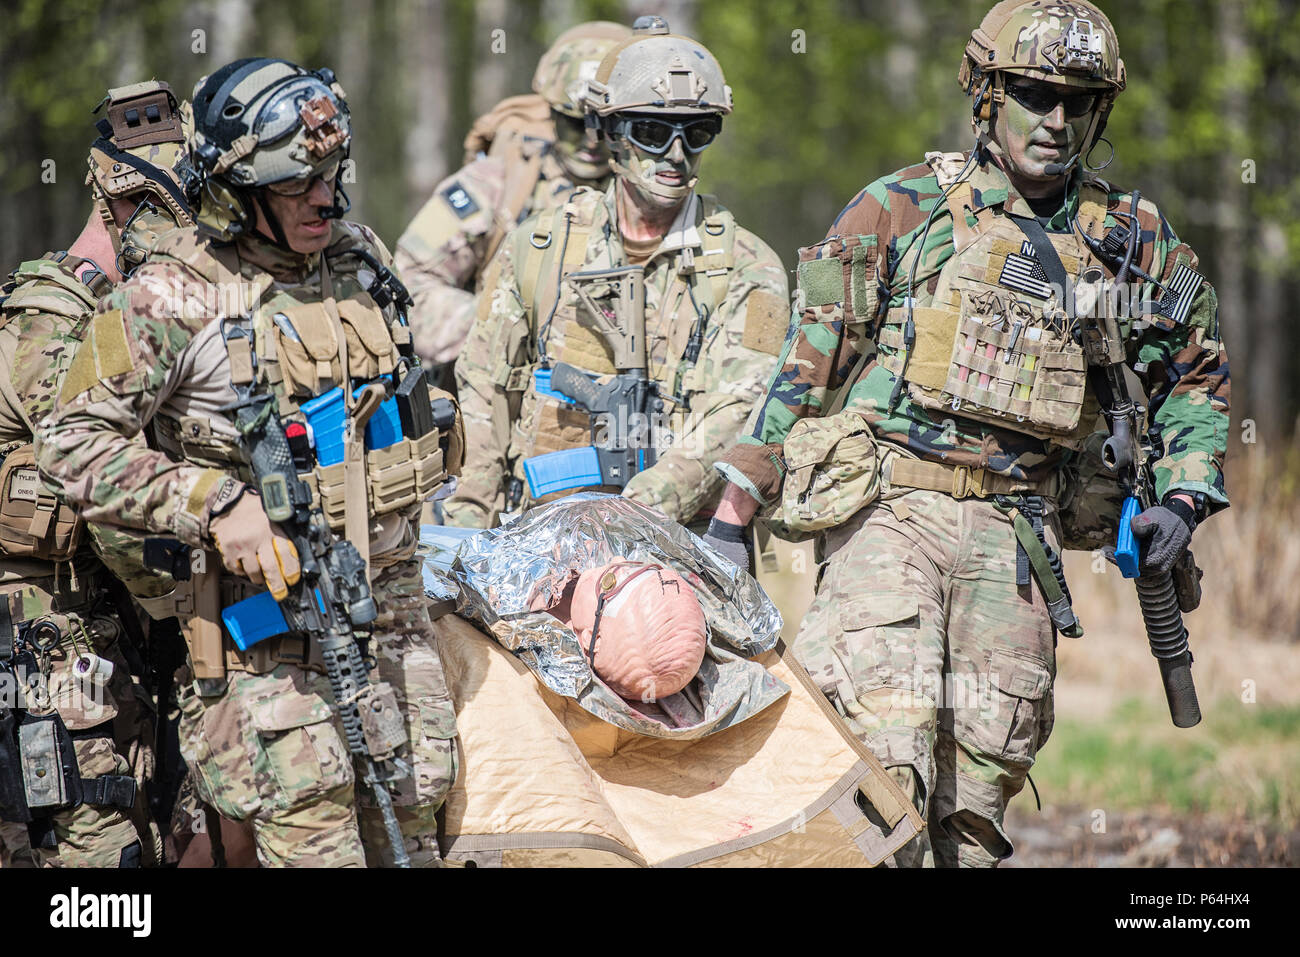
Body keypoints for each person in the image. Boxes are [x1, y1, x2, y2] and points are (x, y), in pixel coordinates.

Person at [705, 0, 1229, 866]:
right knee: (877, 777)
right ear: (987, 93)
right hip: (890, 513)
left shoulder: (1130, 241)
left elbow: (1195, 371)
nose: (1055, 122)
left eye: (1078, 101)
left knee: (976, 810)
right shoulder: (903, 209)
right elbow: (806, 368)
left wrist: (1184, 493)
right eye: (1032, 93)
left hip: (1016, 537)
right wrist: (735, 513)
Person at [37, 58, 463, 867]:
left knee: (415, 840)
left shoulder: (362, 259)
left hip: (391, 632)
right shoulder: (174, 295)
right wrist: (213, 499)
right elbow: (69, 441)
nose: (325, 199)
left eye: (333, 174)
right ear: (237, 189)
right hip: (269, 649)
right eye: (299, 184)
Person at [442, 17, 790, 530]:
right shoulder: (541, 248)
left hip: (674, 539)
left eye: (697, 133)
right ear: (609, 133)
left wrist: (635, 516)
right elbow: (486, 392)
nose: (676, 155)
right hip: (531, 533)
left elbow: (739, 407)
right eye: (651, 133)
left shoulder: (746, 266)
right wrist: (467, 524)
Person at [0, 80, 197, 867]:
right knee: (99, 863)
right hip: (45, 638)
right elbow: (99, 486)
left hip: (108, 635)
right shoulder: (53, 314)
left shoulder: (123, 314)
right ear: (135, 211)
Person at [394, 20, 631, 373]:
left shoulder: (646, 192)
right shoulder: (501, 181)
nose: (592, 141)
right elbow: (408, 288)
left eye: (607, 126)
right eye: (576, 124)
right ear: (550, 113)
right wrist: (508, 325)